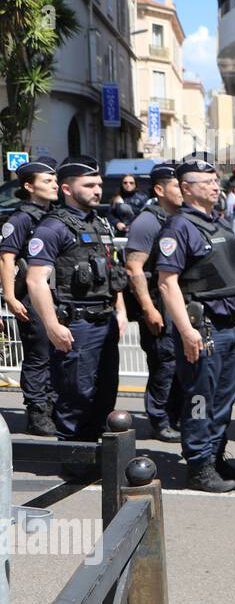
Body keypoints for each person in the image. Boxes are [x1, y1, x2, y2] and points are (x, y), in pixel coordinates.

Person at [155, 154, 235, 493]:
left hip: (227, 324)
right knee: (200, 399)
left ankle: (215, 456)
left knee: (225, 396)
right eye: (207, 182)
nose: (215, 186)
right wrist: (186, 331)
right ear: (186, 188)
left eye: (215, 180)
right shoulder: (179, 226)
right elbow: (167, 283)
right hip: (203, 328)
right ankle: (198, 466)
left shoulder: (218, 222)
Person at [24, 155, 129, 452]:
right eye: (90, 185)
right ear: (67, 189)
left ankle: (95, 454)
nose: (98, 190)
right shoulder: (53, 227)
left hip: (105, 320)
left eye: (99, 184)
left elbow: (113, 273)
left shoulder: (101, 223)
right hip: (77, 324)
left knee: (104, 393)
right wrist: (52, 326)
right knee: (75, 393)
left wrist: (119, 312)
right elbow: (35, 281)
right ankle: (73, 456)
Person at [124, 162, 186, 442]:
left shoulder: (179, 218)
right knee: (164, 363)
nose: (182, 189)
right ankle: (160, 418)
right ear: (159, 189)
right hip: (158, 305)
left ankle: (174, 415)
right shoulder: (147, 222)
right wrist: (148, 309)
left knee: (180, 364)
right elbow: (134, 268)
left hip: (178, 302)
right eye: (176, 185)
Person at [0, 156, 61, 435]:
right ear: (29, 186)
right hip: (32, 297)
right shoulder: (21, 218)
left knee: (58, 355)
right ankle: (38, 412)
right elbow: (7, 259)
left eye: (55, 180)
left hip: (56, 295)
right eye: (47, 181)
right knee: (39, 356)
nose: (54, 185)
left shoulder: (56, 214)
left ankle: (54, 405)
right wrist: (11, 298)